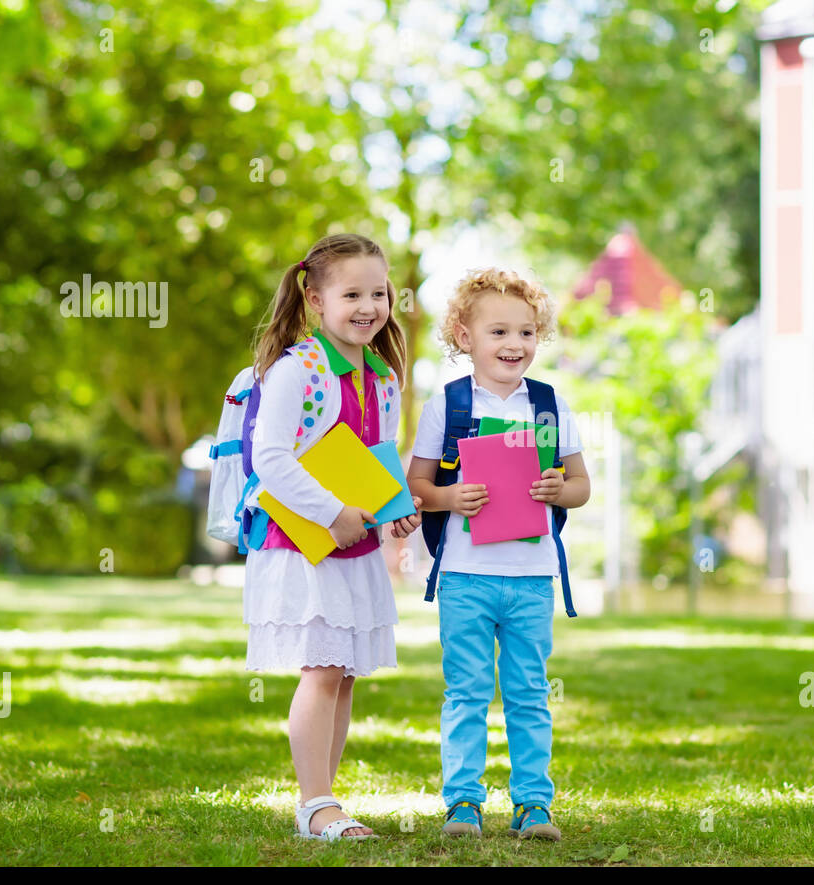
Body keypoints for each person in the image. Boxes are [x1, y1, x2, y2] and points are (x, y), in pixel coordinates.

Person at [243, 233, 422, 841]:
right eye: (353, 294)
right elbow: (270, 457)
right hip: (305, 544)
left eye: (380, 293)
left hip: (357, 544)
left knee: (343, 672)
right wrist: (331, 512)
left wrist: (397, 509)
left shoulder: (385, 377)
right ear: (316, 300)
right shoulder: (298, 370)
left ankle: (325, 801)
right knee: (321, 670)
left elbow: (379, 457)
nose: (370, 306)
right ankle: (315, 805)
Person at [408, 267, 591, 840]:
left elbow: (582, 486)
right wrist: (449, 496)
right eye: (499, 333)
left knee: (529, 694)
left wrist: (560, 490)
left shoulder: (550, 404)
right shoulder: (448, 405)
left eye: (527, 333)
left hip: (533, 578)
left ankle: (533, 803)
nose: (515, 345)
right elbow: (416, 489)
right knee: (465, 692)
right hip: (465, 576)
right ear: (464, 337)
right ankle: (463, 801)